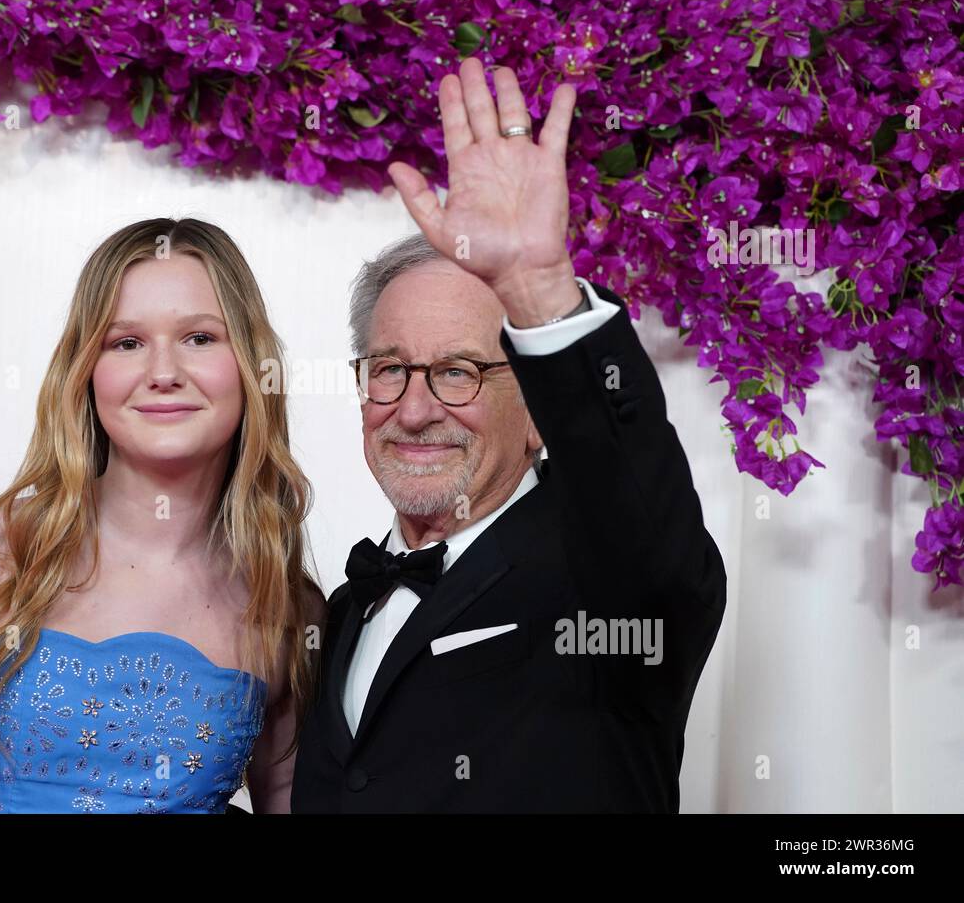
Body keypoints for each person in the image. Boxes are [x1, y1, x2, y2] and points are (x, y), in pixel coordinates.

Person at [291, 57, 727, 812]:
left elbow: (643, 524)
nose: (416, 410)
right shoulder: (342, 608)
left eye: (458, 372)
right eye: (390, 369)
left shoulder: (604, 585)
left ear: (536, 410)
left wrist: (536, 294)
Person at [0, 218, 325, 813]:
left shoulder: (286, 608)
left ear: (253, 367)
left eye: (200, 338)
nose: (162, 372)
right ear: (86, 373)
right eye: (126, 342)